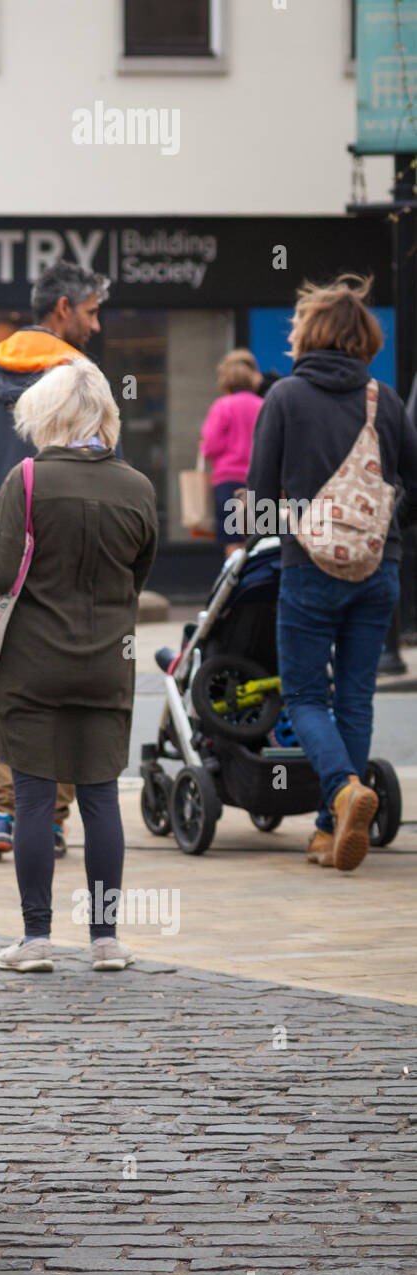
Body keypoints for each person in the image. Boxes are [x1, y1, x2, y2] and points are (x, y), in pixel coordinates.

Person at [0, 357, 157, 973]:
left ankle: (35, 941)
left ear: (46, 415)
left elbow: (0, 574)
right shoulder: (137, 487)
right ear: (105, 415)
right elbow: (140, 575)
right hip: (109, 662)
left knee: (33, 799)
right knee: (101, 798)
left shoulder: (26, 480)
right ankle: (106, 939)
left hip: (32, 666)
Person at [246, 274, 417, 871]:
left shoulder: (286, 397)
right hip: (379, 569)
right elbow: (411, 480)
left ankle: (344, 790)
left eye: (296, 326)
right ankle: (327, 829)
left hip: (309, 567)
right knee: (356, 698)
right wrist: (385, 529)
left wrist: (254, 538)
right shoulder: (384, 397)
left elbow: (261, 492)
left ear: (314, 334)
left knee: (304, 696)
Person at [0, 261, 110, 862]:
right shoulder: (82, 377)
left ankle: (0, 811)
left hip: (3, 548)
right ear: (64, 309)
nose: (96, 326)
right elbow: (105, 464)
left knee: (8, 682)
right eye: (92, 311)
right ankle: (49, 817)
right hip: (72, 550)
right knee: (72, 684)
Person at [200, 349, 263, 557]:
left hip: (228, 482)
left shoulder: (222, 406)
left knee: (233, 539)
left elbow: (210, 447)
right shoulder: (263, 406)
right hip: (258, 480)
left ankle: (236, 585)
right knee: (257, 537)